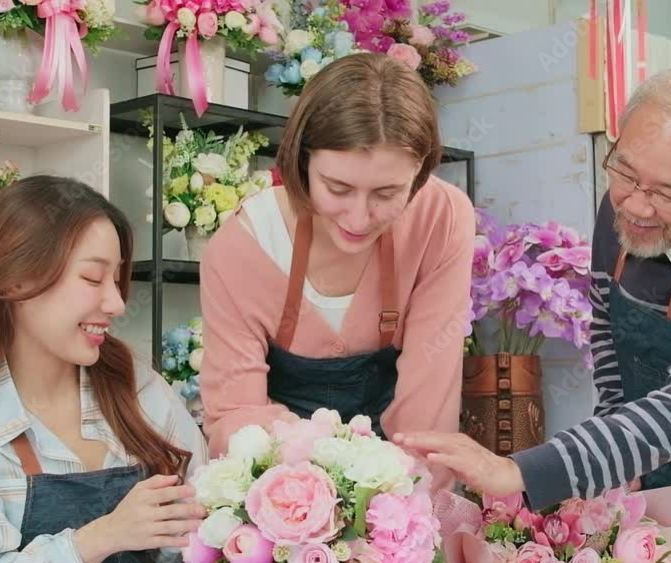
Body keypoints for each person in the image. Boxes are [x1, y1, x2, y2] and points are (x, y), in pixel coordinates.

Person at [393, 68, 671, 563]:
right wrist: (609, 470)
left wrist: (524, 472)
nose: (636, 205)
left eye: (668, 193)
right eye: (624, 172)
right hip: (664, 477)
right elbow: (610, 343)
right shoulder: (621, 208)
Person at [0, 176, 209, 562]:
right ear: (15, 279)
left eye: (115, 279)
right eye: (93, 278)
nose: (116, 303)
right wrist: (98, 538)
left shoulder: (138, 387)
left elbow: (207, 518)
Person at [198, 52, 476, 480]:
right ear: (303, 159)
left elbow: (429, 408)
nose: (359, 218)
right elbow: (237, 418)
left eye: (387, 193)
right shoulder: (242, 247)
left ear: (419, 171)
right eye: (338, 188)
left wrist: (405, 513)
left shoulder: (441, 218)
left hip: (401, 478)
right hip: (280, 482)